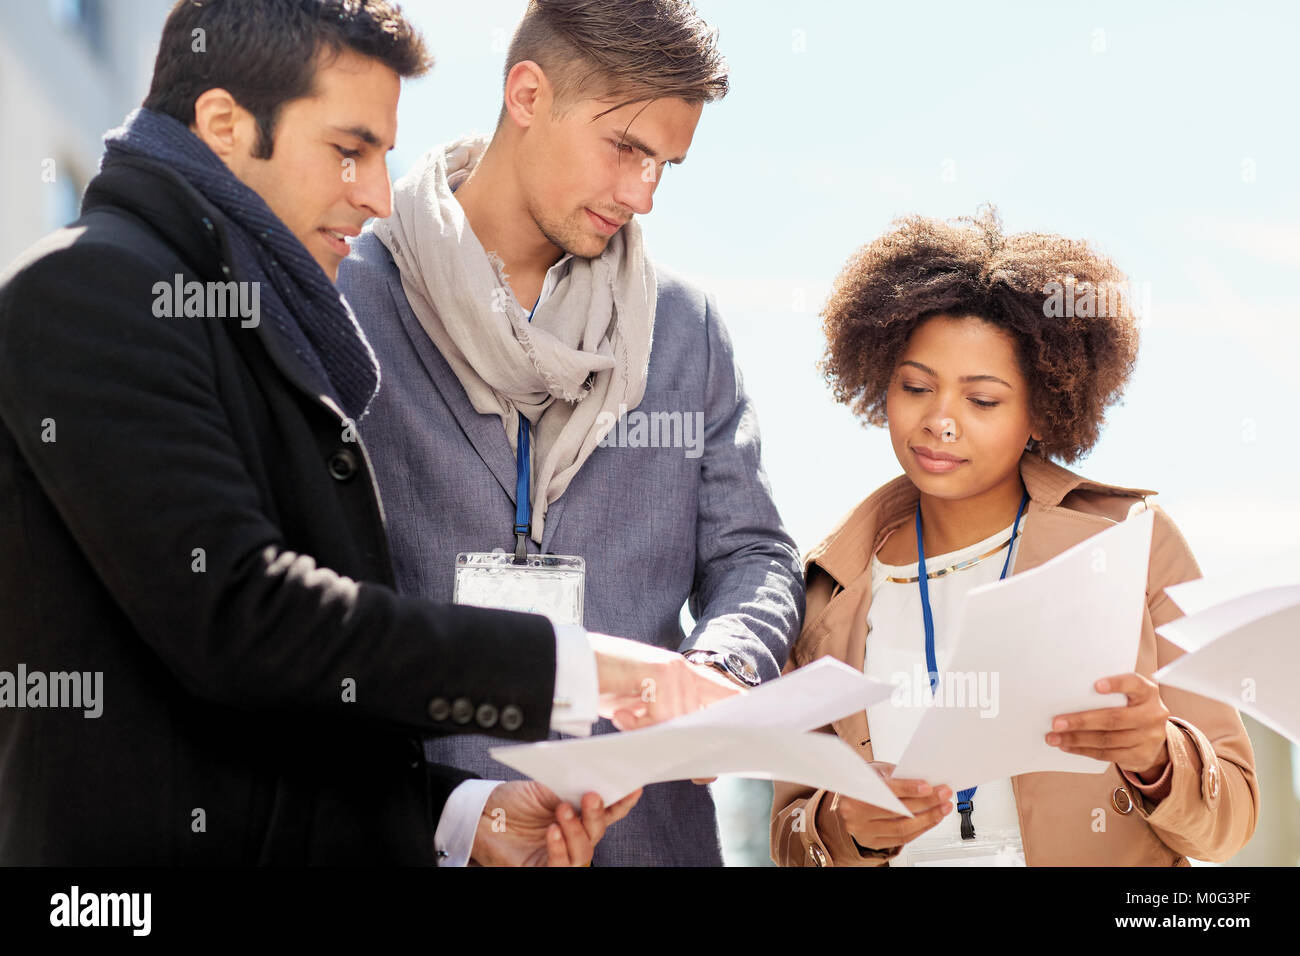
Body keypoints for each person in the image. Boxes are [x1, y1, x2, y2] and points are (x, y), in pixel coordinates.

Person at [0, 0, 736, 867]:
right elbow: (249, 621)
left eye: (384, 155)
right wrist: (589, 669)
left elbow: (297, 713)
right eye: (350, 150)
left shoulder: (259, 323)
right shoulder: (92, 290)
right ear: (225, 125)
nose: (378, 194)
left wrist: (464, 818)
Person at [337, 0, 804, 866]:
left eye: (665, 164)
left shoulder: (685, 326)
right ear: (526, 94)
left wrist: (724, 670)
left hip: (646, 839)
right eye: (625, 148)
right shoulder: (351, 298)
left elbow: (755, 554)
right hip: (421, 833)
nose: (641, 194)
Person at [771, 207, 1259, 866]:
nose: (941, 421)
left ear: (1042, 412)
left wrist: (1157, 756)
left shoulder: (1133, 544)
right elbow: (791, 837)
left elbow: (1231, 823)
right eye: (916, 387)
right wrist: (845, 825)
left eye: (983, 400)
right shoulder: (829, 588)